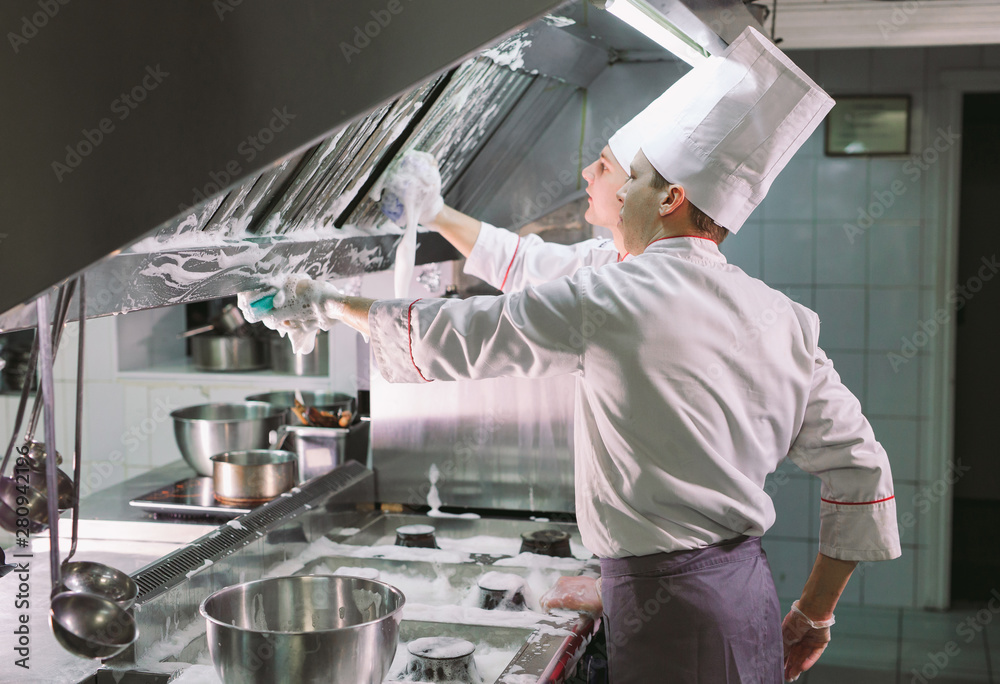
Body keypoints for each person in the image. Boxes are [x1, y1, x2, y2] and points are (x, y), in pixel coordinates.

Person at [241, 27, 902, 683]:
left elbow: (464, 335)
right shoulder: (782, 317)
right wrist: (814, 616)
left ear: (670, 198)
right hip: (741, 592)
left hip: (676, 618)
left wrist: (329, 304)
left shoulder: (619, 293)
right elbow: (862, 470)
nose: (593, 174)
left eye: (627, 172)